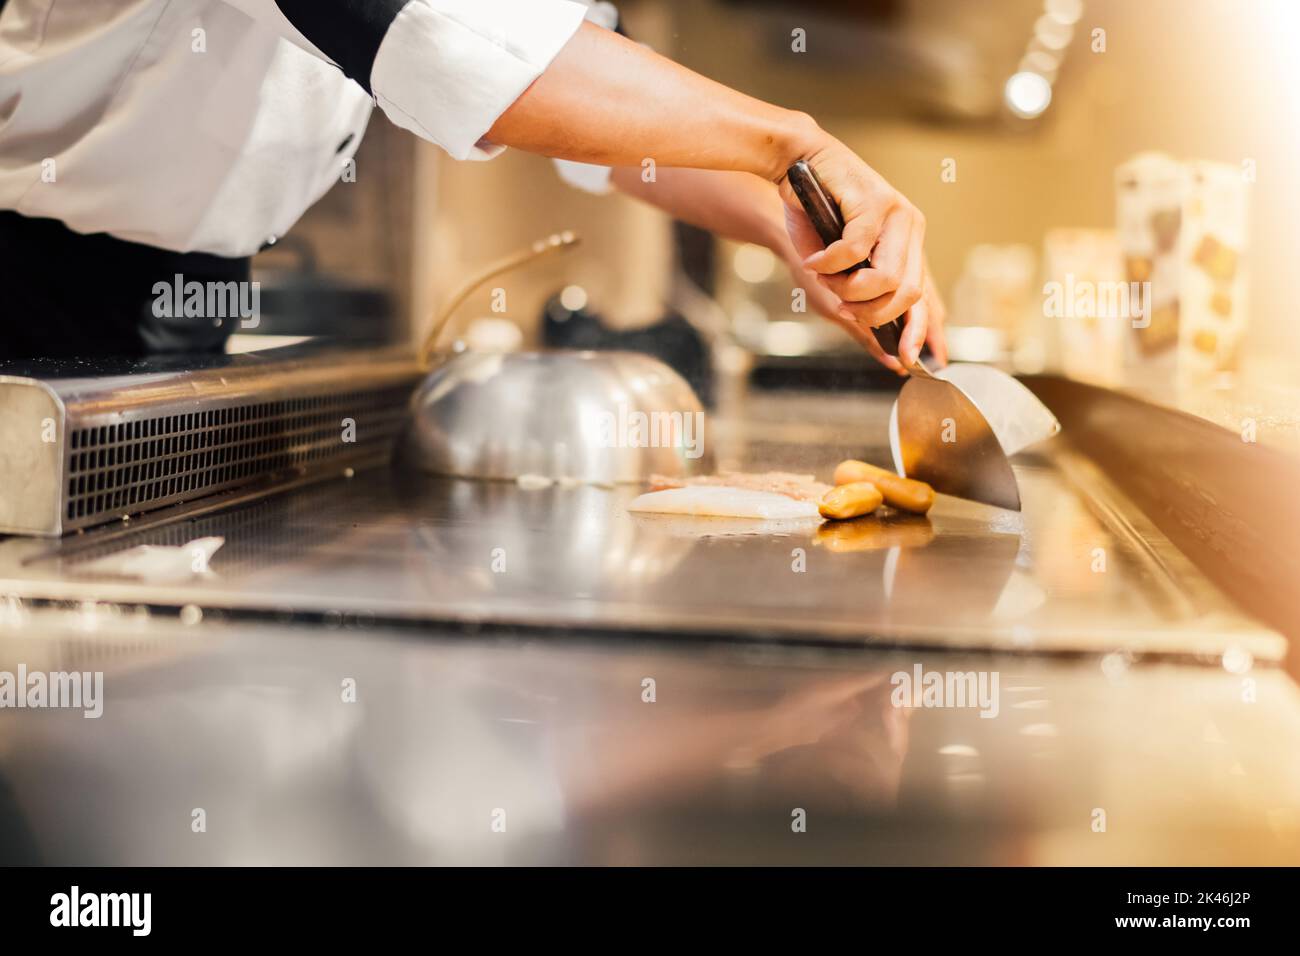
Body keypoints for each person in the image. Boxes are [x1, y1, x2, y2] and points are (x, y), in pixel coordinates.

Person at [0, 0, 945, 372]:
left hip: (180, 316)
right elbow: (461, 53)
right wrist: (785, 142)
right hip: (28, 303)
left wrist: (785, 221)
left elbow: (590, 107)